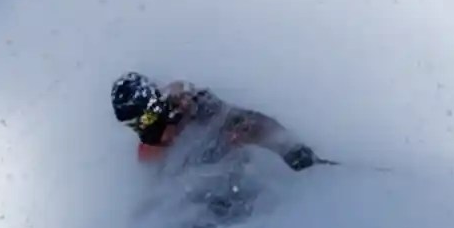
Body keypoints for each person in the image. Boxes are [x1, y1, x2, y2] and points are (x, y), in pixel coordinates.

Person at [110, 72, 318, 171]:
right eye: (136, 126)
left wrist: (291, 150)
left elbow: (251, 123)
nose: (146, 131)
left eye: (148, 120)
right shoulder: (150, 149)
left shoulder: (200, 111)